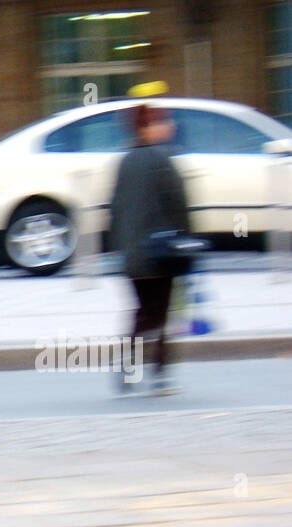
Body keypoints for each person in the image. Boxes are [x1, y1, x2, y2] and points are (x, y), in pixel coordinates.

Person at [108, 102, 191, 397]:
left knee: (144, 312)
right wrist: (187, 240)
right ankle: (161, 376)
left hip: (132, 255)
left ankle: (129, 364)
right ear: (148, 127)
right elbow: (178, 204)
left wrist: (119, 246)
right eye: (162, 121)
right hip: (160, 254)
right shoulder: (162, 158)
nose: (167, 126)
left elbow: (115, 207)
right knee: (160, 314)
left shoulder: (125, 160)